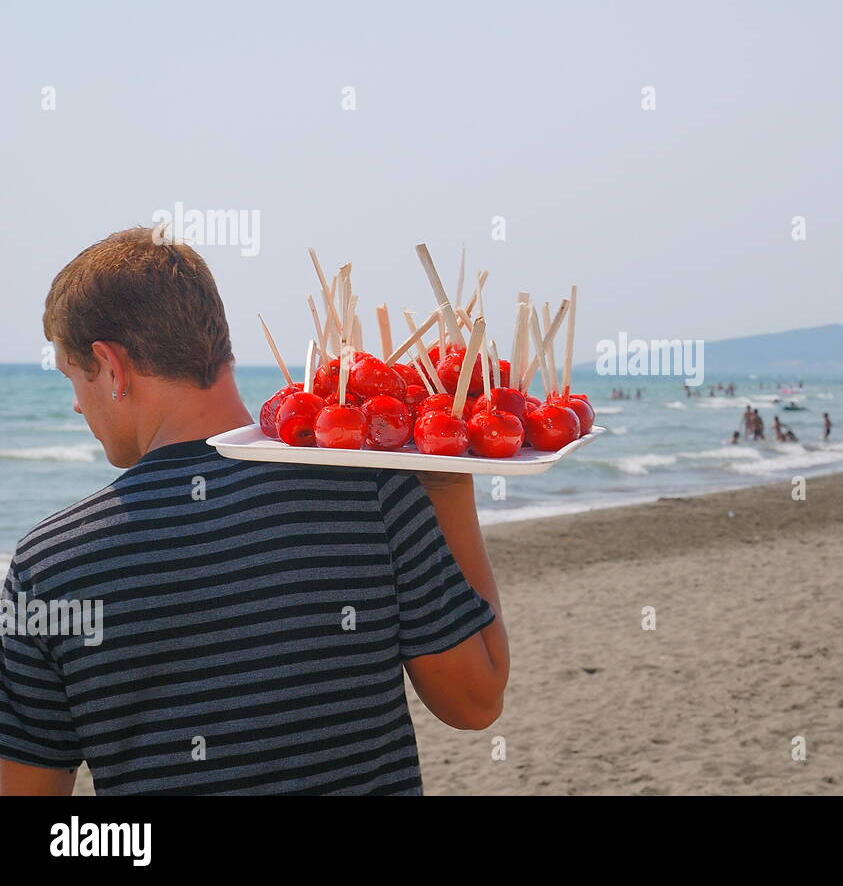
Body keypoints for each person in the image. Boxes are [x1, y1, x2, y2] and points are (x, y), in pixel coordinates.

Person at [0, 228, 506, 795]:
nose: (74, 403)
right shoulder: (370, 489)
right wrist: (448, 481)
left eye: (72, 378)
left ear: (110, 366)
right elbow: (477, 699)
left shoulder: (48, 567)